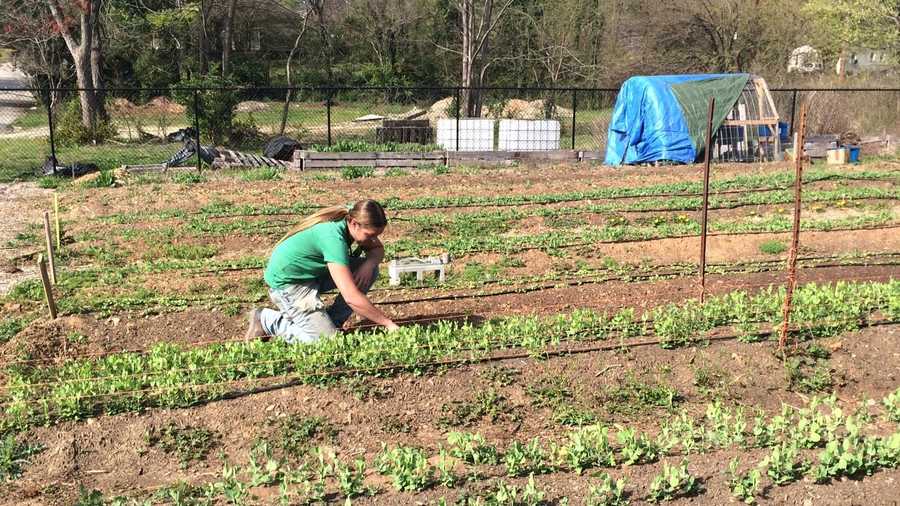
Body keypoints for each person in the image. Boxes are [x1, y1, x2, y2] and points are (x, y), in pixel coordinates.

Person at [245, 199, 399, 343]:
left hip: (313, 273)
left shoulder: (354, 216)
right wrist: (387, 323)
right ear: (354, 223)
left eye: (376, 236)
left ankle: (332, 323)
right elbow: (351, 296)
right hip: (289, 284)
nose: (372, 240)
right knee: (326, 342)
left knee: (370, 270)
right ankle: (266, 320)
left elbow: (377, 249)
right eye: (370, 236)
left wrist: (369, 264)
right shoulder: (333, 238)